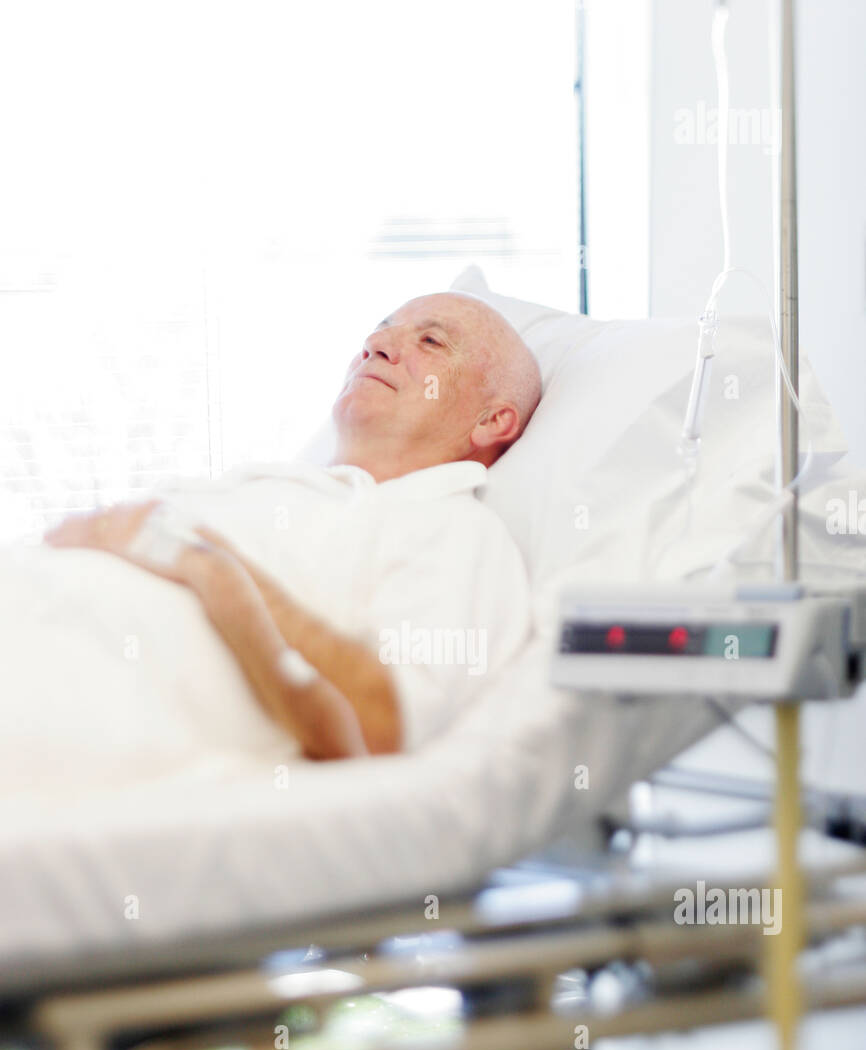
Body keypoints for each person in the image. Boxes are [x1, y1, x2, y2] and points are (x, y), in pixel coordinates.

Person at [42, 292, 542, 762]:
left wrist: (207, 569)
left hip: (66, 698)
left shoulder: (455, 531)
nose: (375, 346)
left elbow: (379, 729)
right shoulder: (269, 489)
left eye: (430, 341)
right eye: (379, 333)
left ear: (493, 420)